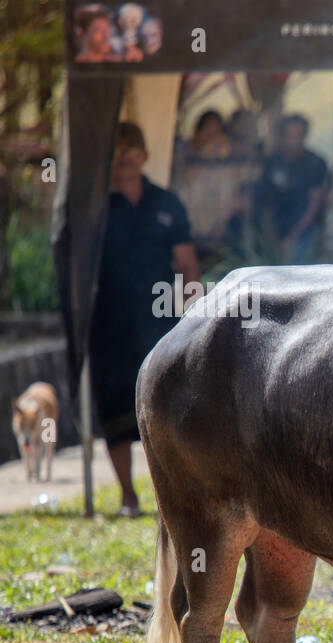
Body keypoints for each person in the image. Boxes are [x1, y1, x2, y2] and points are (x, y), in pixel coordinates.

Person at [90, 122, 199, 517]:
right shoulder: (97, 207)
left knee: (166, 409)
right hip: (109, 321)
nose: (125, 158)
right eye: (117, 151)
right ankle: (127, 496)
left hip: (160, 317)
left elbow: (187, 263)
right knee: (115, 408)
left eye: (131, 150)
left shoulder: (167, 203)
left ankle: (167, 496)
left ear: (144, 156)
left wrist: (191, 318)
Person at [255, 114, 329, 263]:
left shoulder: (316, 163)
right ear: (282, 136)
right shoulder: (272, 162)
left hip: (306, 232)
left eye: (299, 135)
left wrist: (293, 237)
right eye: (290, 135)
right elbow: (266, 200)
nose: (294, 141)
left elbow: (315, 204)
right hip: (275, 231)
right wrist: (270, 233)